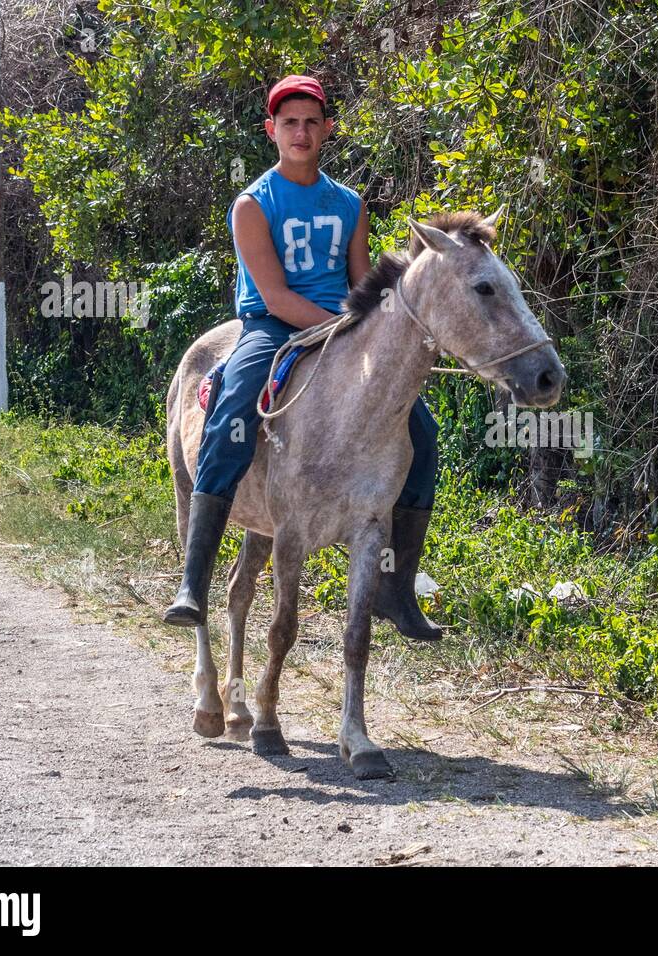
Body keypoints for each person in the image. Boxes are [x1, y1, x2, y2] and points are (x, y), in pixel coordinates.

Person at [163, 74, 442, 641]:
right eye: (289, 121)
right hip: (271, 329)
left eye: (312, 121)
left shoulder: (349, 205)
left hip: (341, 332)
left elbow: (363, 285)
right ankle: (193, 581)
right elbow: (275, 297)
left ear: (327, 130)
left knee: (422, 431)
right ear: (272, 130)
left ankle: (397, 590)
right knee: (234, 409)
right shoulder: (252, 204)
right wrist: (343, 330)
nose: (301, 131)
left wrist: (377, 336)